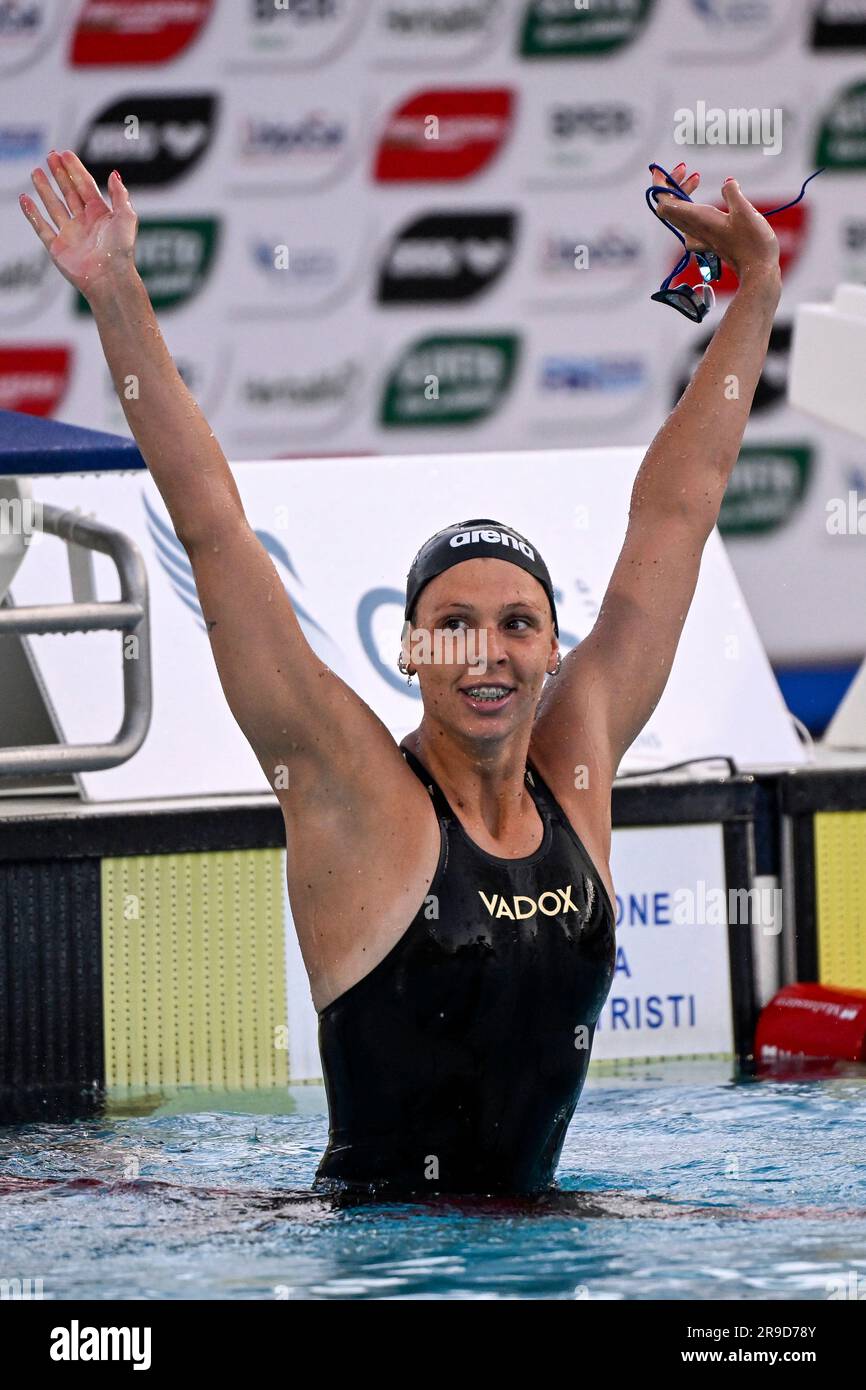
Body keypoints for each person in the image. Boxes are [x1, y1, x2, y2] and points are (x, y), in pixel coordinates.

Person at [20, 153, 782, 1198]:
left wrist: (757, 289)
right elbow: (212, 528)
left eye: (517, 623)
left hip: (544, 1238)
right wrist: (114, 288)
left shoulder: (580, 766)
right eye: (451, 625)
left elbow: (679, 508)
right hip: (376, 1251)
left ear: (553, 648)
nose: (485, 651)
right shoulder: (355, 795)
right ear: (408, 649)